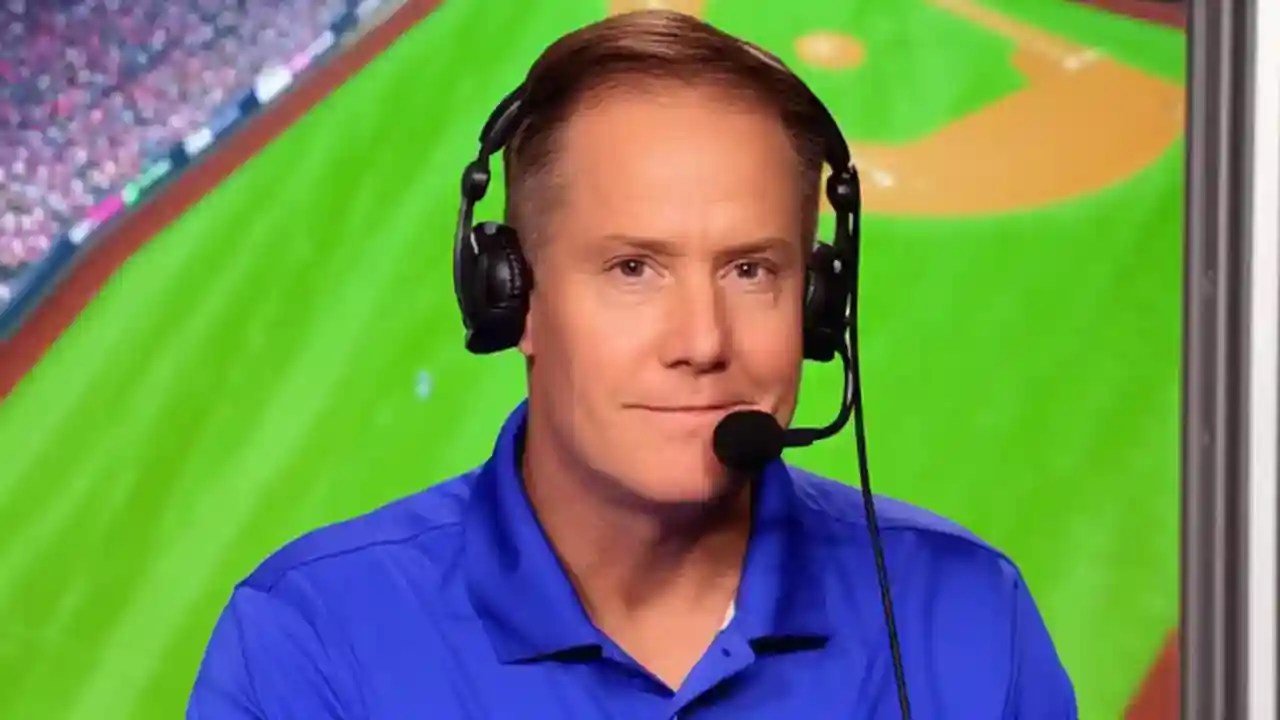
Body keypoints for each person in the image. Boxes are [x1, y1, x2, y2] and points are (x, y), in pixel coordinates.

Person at [187, 10, 1077, 719]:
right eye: (633, 269)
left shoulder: (967, 615)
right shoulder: (309, 643)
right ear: (513, 297)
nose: (702, 340)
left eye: (751, 271)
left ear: (817, 304)